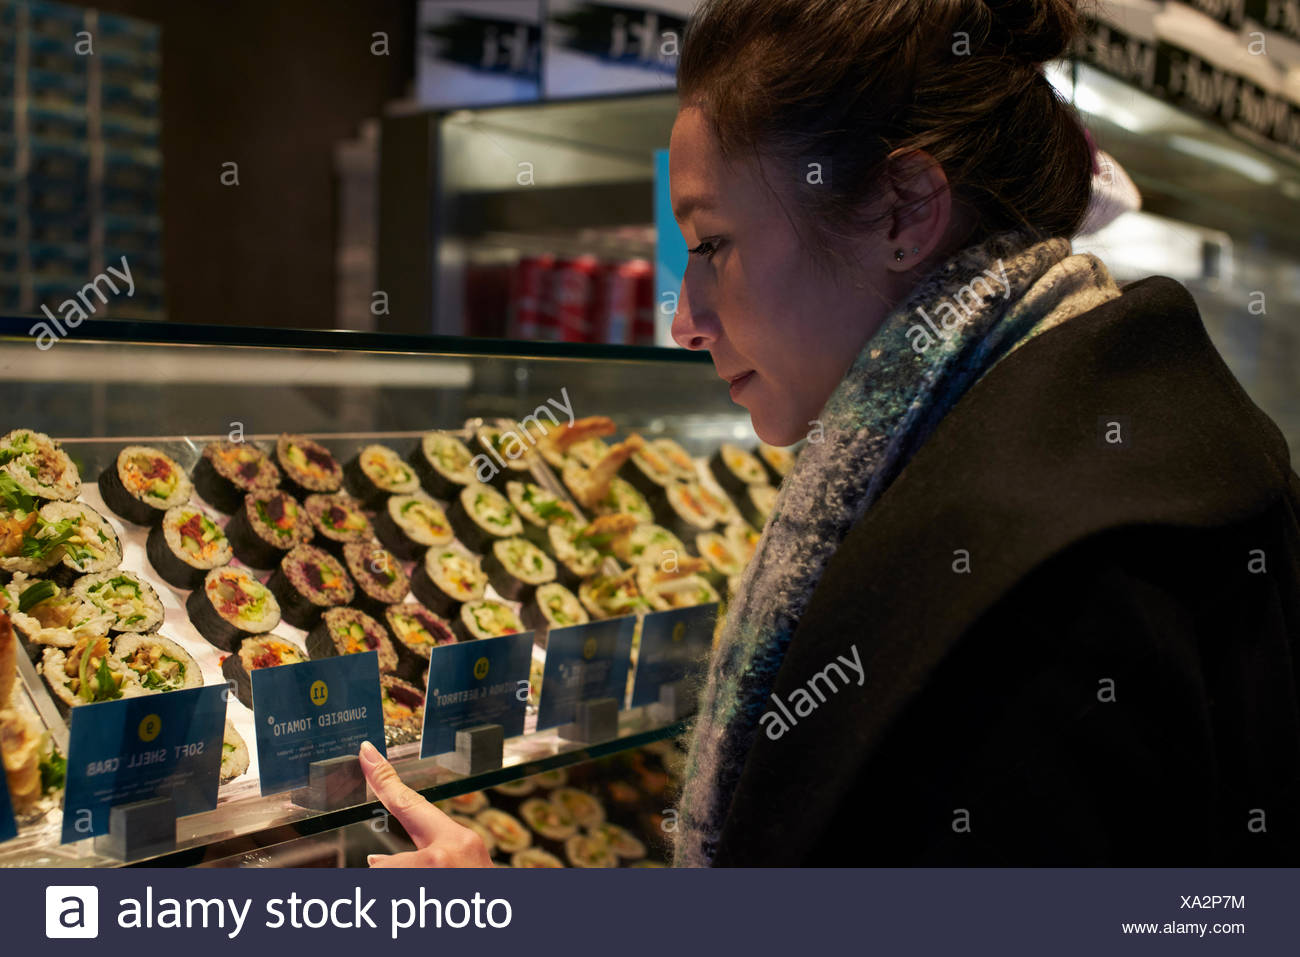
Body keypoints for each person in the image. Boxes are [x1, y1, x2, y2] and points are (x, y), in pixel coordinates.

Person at [362, 0, 1300, 866]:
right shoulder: (1105, 432)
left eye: (713, 244)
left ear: (904, 211)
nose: (684, 318)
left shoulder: (1028, 568)